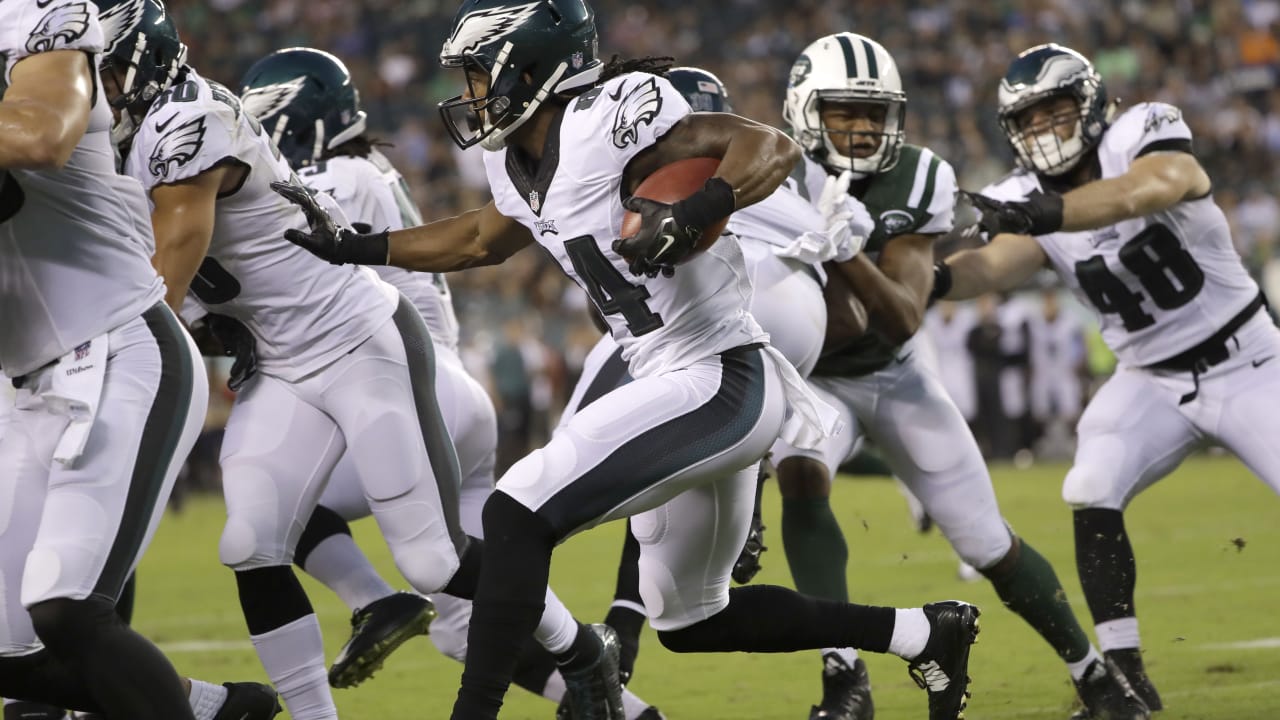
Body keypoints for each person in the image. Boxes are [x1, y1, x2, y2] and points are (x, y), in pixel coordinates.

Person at [276, 3, 980, 720]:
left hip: (719, 372)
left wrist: (701, 204)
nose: (474, 93)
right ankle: (925, 631)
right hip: (675, 377)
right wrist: (361, 248)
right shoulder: (512, 155)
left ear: (532, 65)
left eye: (483, 74)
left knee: (516, 512)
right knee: (691, 619)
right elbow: (483, 239)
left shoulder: (609, 115)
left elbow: (768, 146)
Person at [238, 47, 663, 720]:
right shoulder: (366, 171)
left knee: (288, 517)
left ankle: (379, 601)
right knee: (467, 623)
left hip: (405, 383)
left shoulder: (338, 174)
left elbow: (281, 245)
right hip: (447, 390)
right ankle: (629, 710)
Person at [774, 32, 1146, 720]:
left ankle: (1096, 678)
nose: (860, 128)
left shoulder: (917, 175)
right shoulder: (769, 173)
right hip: (810, 380)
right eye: (842, 113)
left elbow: (904, 316)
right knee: (799, 472)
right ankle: (844, 678)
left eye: (873, 113)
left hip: (893, 372)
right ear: (804, 111)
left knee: (985, 542)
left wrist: (850, 252)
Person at [936, 42, 1280, 717]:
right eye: (1029, 122)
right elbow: (994, 264)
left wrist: (1050, 214)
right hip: (1147, 377)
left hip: (1247, 360)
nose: (1046, 132)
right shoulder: (1025, 195)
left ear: (1091, 108)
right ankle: (1123, 675)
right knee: (1089, 483)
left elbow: (1155, 187)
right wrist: (929, 279)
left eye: (1056, 112)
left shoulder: (1140, 135)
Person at [0, 1, 277, 719]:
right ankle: (211, 708)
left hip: (122, 348)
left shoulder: (41, 18)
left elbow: (38, 136)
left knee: (66, 608)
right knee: (9, 653)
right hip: (30, 386)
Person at [552, 64, 866, 688]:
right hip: (798, 311)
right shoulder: (791, 172)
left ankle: (612, 635)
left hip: (713, 305)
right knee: (681, 455)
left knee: (598, 462)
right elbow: (852, 309)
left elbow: (611, 299)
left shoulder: (640, 159)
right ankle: (748, 483)